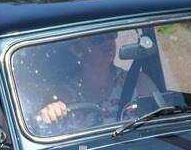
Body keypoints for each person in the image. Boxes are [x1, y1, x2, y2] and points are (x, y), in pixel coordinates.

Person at [30, 29, 158, 134]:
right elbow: (42, 126)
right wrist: (50, 112)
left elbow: (163, 121)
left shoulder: (138, 82)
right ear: (77, 50)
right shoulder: (62, 95)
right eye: (98, 39)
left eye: (111, 35)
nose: (108, 42)